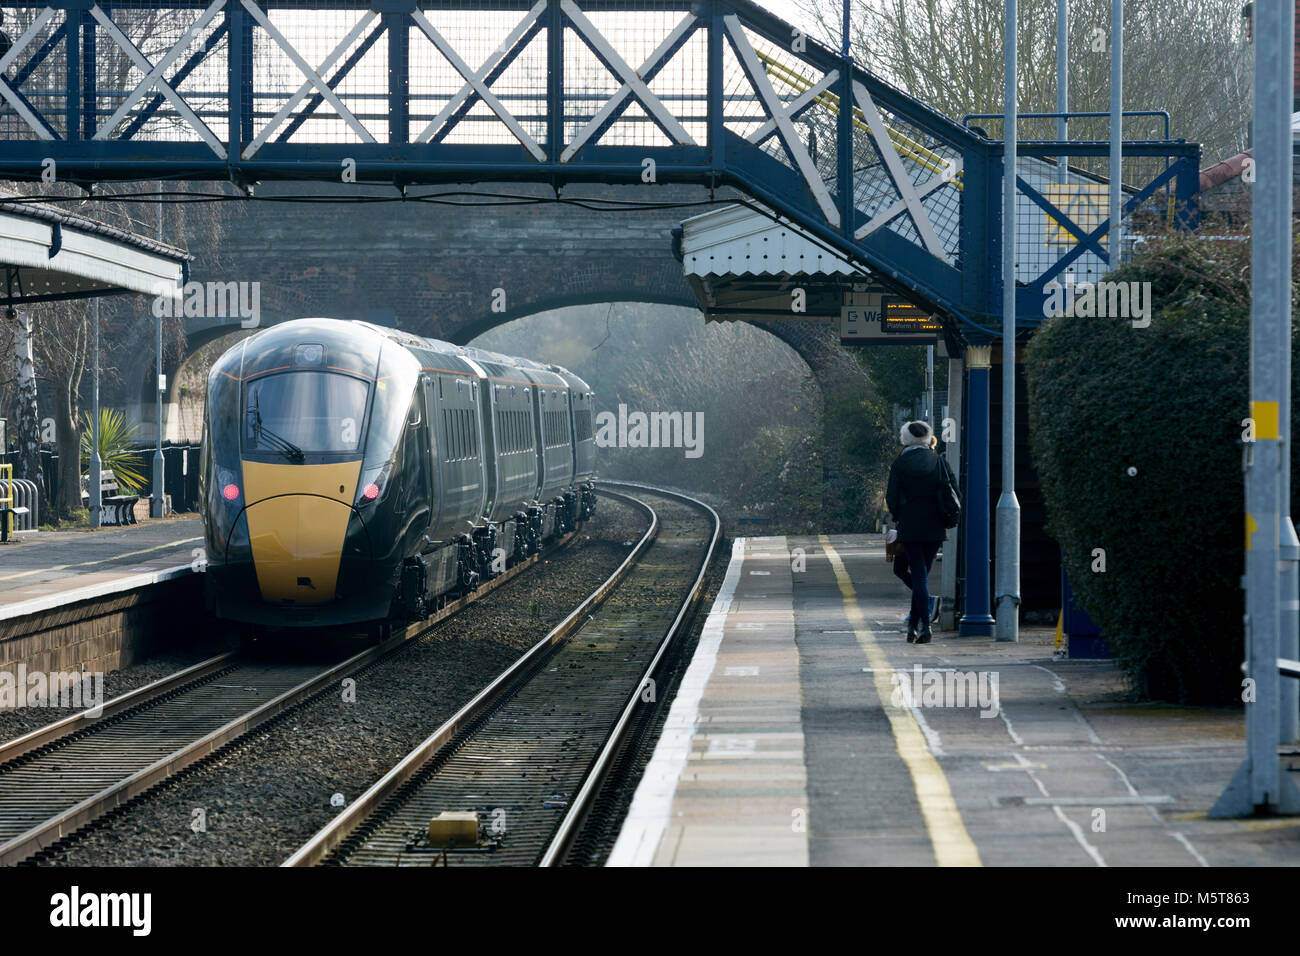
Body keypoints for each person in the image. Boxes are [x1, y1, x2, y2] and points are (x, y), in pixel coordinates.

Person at [886, 420, 949, 644]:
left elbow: (891, 497)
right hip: (935, 527)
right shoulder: (938, 461)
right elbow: (953, 491)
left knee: (920, 577)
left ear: (906, 439)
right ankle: (914, 625)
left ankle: (924, 626)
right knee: (922, 576)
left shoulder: (900, 463)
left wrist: (899, 517)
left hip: (910, 526)